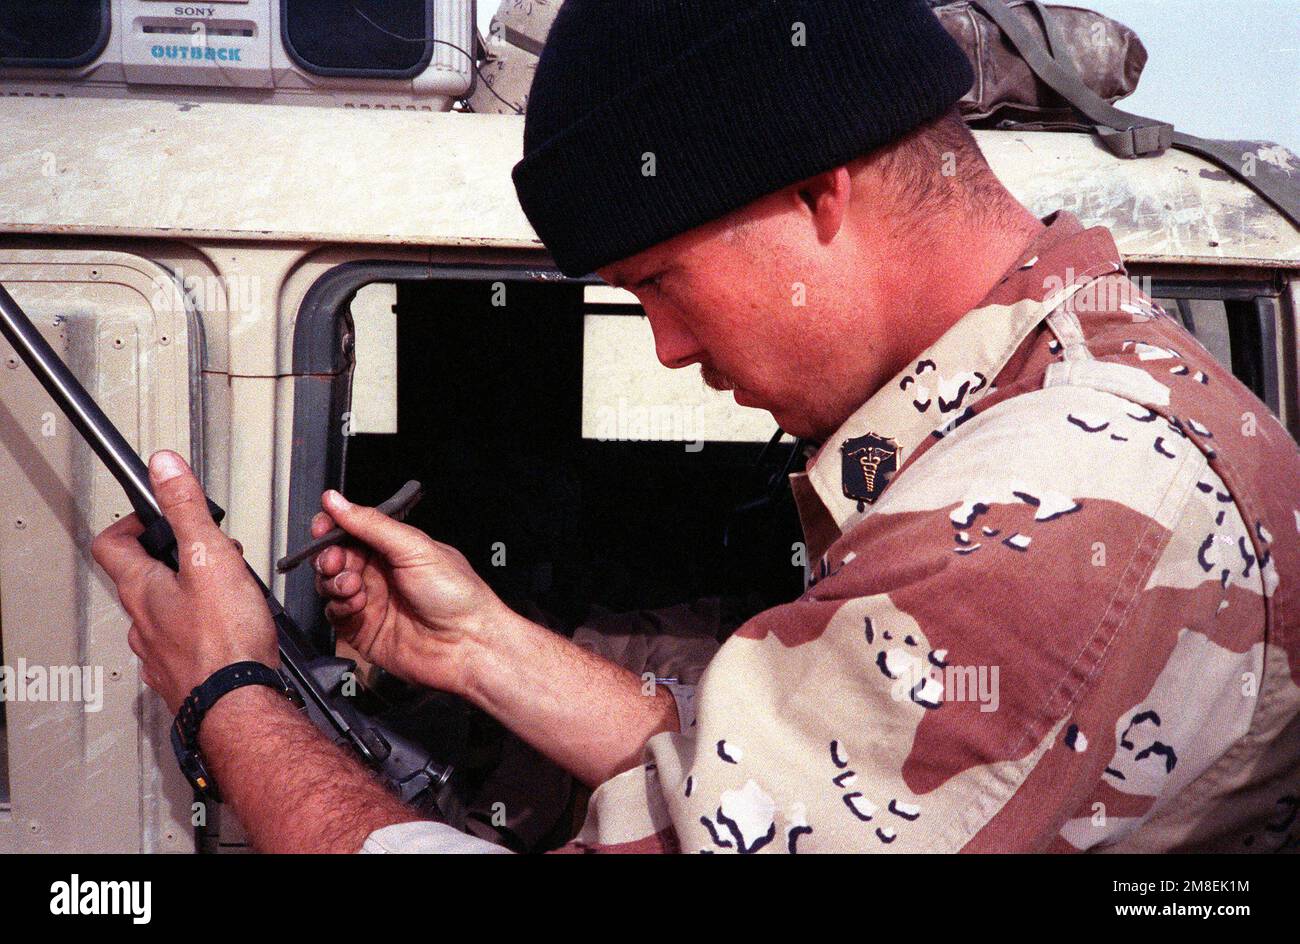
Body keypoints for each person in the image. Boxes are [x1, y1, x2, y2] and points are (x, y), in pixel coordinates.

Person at [91, 0, 1300, 853]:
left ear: (819, 187)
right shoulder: (1074, 395)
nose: (667, 345)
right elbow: (765, 777)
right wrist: (473, 646)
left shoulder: (1048, 507)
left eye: (662, 280)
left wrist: (229, 688)